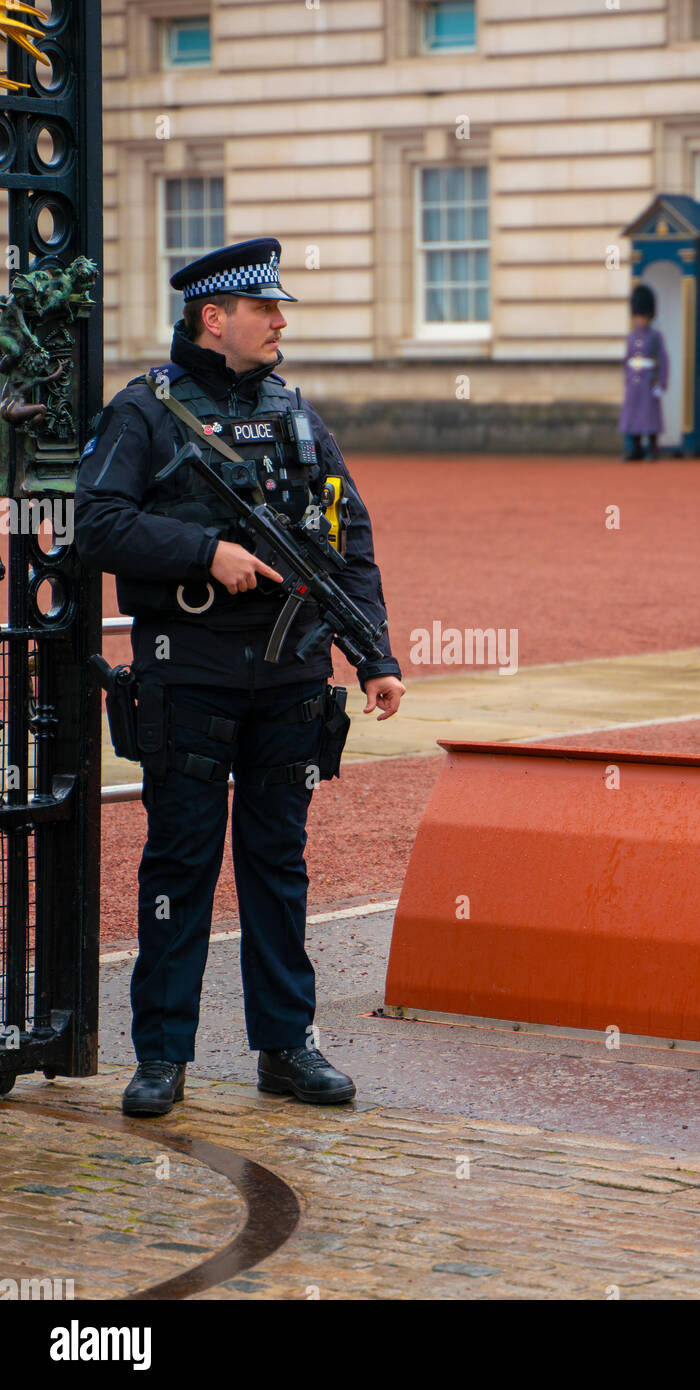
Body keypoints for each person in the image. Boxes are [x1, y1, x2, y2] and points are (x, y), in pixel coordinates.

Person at [75, 238, 406, 1116]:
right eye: (267, 311)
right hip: (191, 677)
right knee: (179, 867)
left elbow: (349, 542)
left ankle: (287, 1047)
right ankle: (162, 1055)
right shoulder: (143, 413)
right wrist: (203, 550)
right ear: (213, 318)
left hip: (291, 680)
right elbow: (97, 524)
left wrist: (376, 657)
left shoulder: (297, 414)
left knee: (279, 865)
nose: (281, 323)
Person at [619, 283, 669, 461]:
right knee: (633, 417)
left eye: (642, 315)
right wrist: (627, 379)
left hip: (649, 381)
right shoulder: (631, 336)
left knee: (650, 418)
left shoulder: (655, 337)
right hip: (634, 382)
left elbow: (663, 361)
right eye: (638, 315)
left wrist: (661, 383)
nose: (640, 319)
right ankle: (636, 448)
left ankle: (653, 449)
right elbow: (627, 359)